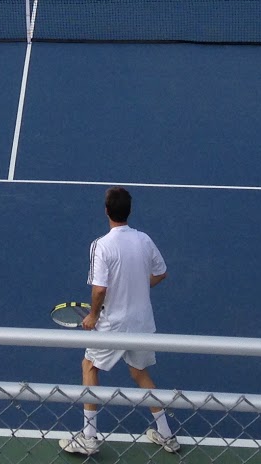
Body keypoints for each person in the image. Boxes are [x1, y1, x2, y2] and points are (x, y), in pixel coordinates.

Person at [61, 187, 179, 456]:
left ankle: (89, 438)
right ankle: (166, 434)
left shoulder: (101, 245)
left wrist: (93, 315)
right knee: (139, 373)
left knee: (89, 366)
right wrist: (138, 286)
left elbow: (99, 290)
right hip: (142, 322)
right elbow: (160, 273)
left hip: (113, 324)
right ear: (129, 211)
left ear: (106, 211)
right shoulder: (144, 240)